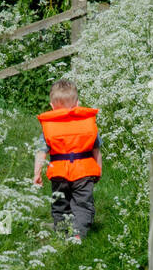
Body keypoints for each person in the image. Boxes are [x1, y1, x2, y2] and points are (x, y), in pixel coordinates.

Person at [32, 78, 101, 242]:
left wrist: (37, 174)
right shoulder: (87, 123)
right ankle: (77, 234)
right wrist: (98, 169)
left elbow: (41, 152)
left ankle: (62, 232)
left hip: (59, 173)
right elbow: (96, 149)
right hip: (84, 173)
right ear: (77, 104)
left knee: (60, 204)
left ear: (52, 106)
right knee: (82, 205)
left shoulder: (50, 126)